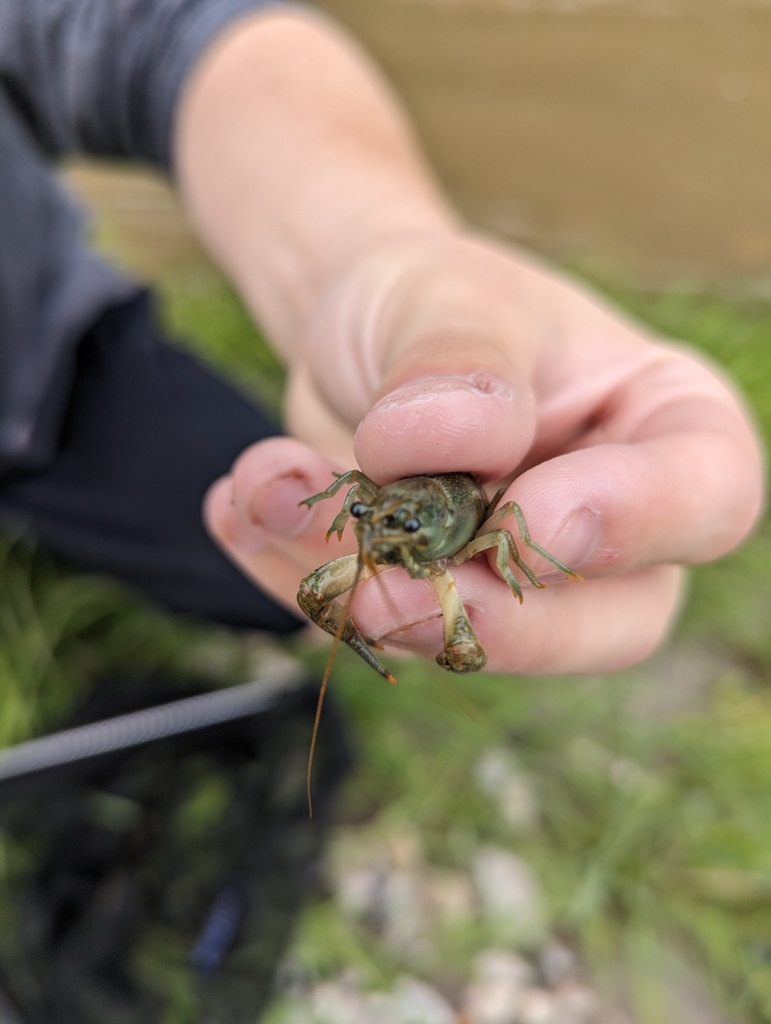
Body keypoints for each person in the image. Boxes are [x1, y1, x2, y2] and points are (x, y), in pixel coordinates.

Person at [0, 0, 763, 682]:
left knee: (268, 564)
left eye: (380, 522)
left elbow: (155, 30)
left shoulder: (418, 524)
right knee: (302, 572)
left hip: (58, 362)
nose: (378, 530)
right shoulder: (389, 535)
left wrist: (377, 258)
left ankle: (289, 649)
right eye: (377, 523)